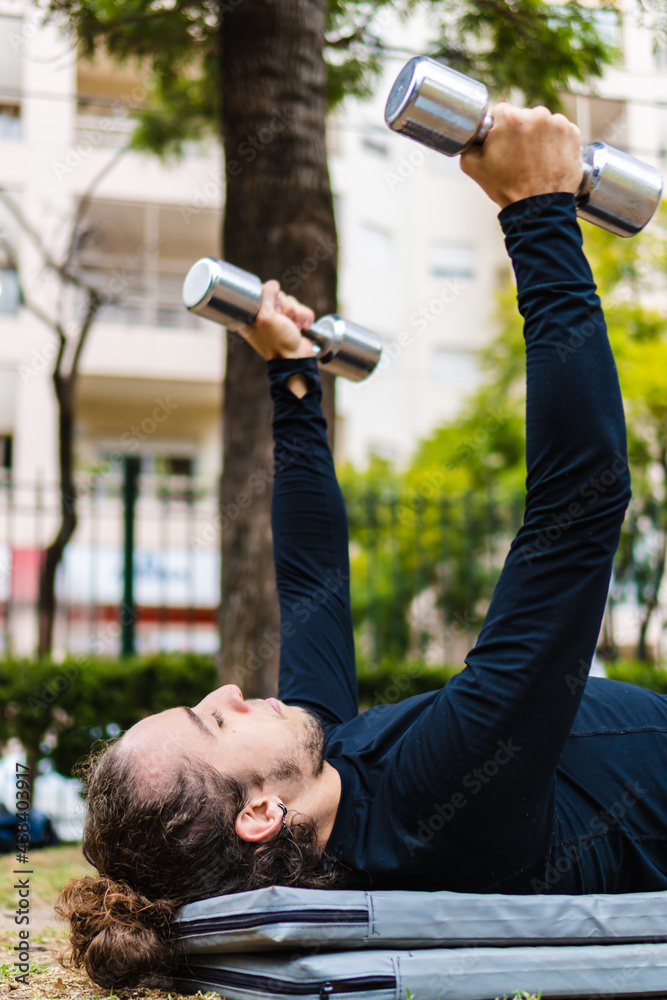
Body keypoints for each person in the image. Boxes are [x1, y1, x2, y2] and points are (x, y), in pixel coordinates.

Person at [57, 103, 667, 989]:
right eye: (211, 720)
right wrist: (537, 213)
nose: (227, 690)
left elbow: (311, 585)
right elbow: (580, 507)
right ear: (261, 815)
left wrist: (293, 379)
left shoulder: (328, 767)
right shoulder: (438, 801)